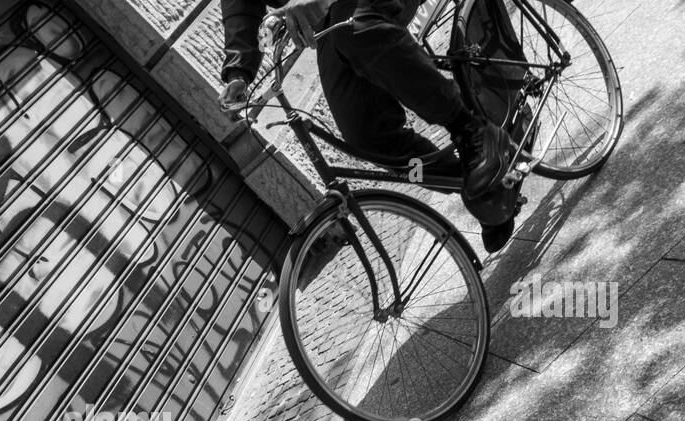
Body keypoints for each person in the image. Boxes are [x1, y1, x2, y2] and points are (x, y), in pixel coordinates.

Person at [219, 0, 518, 251]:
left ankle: (471, 129)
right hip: (330, 20)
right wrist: (238, 69)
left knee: (355, 29)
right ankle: (482, 184)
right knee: (364, 134)